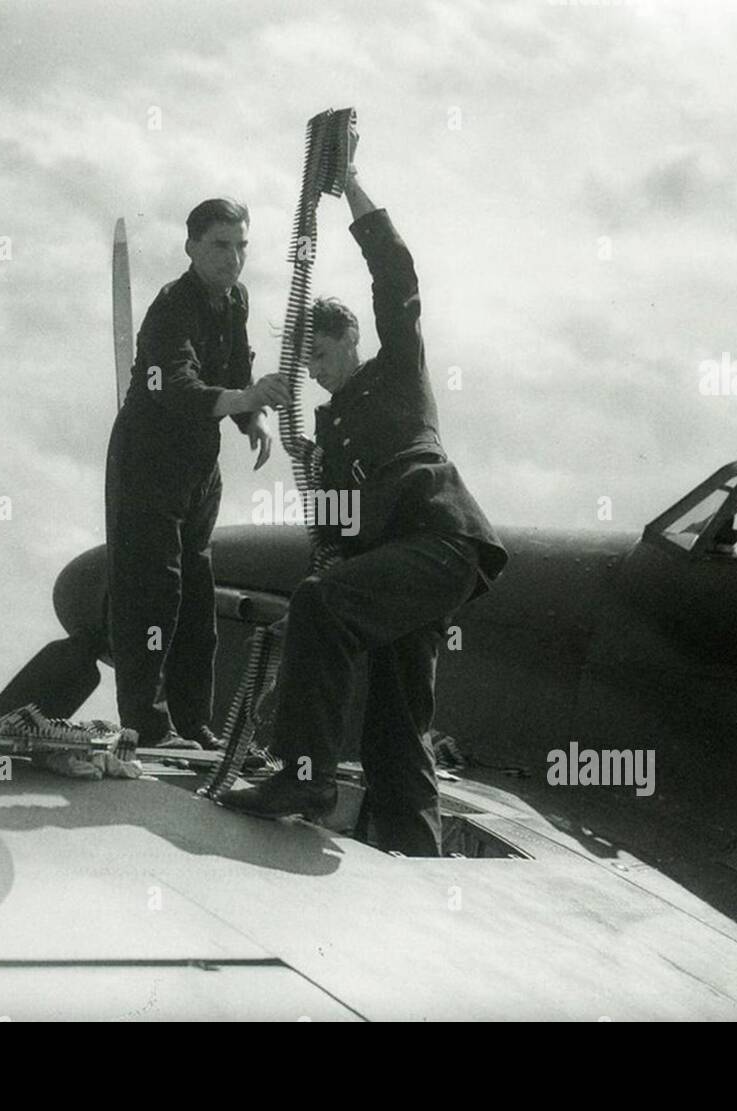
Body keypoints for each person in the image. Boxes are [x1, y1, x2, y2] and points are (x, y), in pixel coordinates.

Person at [218, 132, 508, 855]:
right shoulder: (327, 430)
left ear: (350, 339)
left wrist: (348, 186)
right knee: (394, 726)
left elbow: (397, 275)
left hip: (443, 542)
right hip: (410, 565)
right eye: (304, 362)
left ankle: (306, 777)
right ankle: (419, 859)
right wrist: (317, 478)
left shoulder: (396, 370)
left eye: (318, 355)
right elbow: (344, 540)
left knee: (323, 602)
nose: (312, 371)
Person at [106, 199, 290, 749]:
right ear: (191, 247)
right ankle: (148, 725)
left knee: (196, 600)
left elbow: (235, 367)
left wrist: (250, 417)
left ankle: (193, 725)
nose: (233, 258)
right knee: (153, 596)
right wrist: (246, 397)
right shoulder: (172, 306)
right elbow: (177, 388)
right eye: (220, 245)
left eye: (241, 246)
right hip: (148, 462)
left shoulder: (235, 299)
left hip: (198, 467)